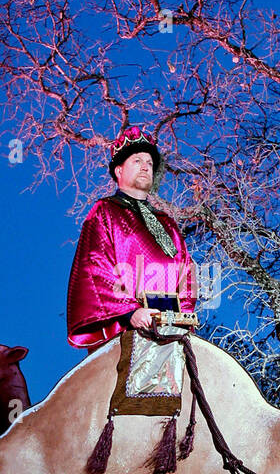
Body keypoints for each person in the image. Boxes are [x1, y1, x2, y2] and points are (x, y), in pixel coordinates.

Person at [66, 125, 197, 349]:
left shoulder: (167, 223)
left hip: (172, 331)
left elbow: (186, 269)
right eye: (137, 161)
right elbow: (95, 267)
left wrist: (182, 314)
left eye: (149, 163)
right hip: (126, 330)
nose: (145, 167)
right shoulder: (104, 212)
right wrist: (130, 311)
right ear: (119, 171)